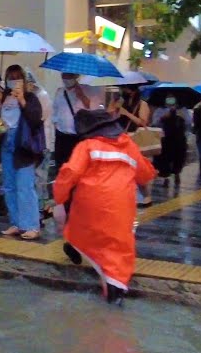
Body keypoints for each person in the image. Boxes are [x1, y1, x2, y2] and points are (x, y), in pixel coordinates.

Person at [53, 109, 157, 305]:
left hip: (89, 205)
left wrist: (58, 198)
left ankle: (75, 246)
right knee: (117, 248)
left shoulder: (86, 146)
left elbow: (70, 173)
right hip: (121, 208)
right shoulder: (129, 146)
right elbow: (145, 174)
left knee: (81, 227)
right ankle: (115, 288)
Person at [0, 65, 45, 240]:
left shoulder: (31, 98)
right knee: (9, 186)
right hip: (7, 144)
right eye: (10, 77)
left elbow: (35, 120)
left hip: (23, 147)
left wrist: (23, 100)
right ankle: (16, 222)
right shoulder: (4, 98)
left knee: (25, 185)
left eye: (17, 77)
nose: (14, 80)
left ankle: (31, 224)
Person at [51, 73, 101, 169]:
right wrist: (55, 126)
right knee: (61, 166)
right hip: (61, 135)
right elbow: (55, 111)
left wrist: (82, 96)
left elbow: (94, 109)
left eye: (69, 75)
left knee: (77, 167)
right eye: (64, 75)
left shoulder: (88, 89)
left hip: (78, 136)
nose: (66, 78)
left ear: (76, 76)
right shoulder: (60, 91)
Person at [26, 70, 54, 204]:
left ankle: (41, 207)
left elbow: (39, 118)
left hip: (43, 142)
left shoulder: (41, 95)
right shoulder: (32, 95)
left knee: (40, 176)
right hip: (35, 142)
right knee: (35, 176)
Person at [155, 96, 191, 187]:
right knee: (164, 159)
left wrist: (181, 116)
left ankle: (176, 173)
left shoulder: (182, 109)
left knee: (179, 158)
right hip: (165, 138)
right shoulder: (161, 109)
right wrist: (162, 117)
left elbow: (189, 123)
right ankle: (166, 177)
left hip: (179, 138)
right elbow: (154, 122)